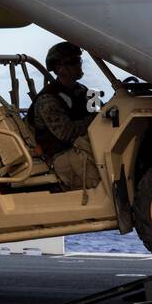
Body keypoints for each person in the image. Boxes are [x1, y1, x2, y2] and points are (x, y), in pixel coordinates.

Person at [29, 42, 100, 197]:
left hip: (85, 146)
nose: (79, 65)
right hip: (62, 154)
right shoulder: (48, 99)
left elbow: (98, 113)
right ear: (59, 68)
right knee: (101, 176)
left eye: (79, 61)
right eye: (73, 62)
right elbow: (67, 133)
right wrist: (96, 119)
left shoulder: (84, 91)